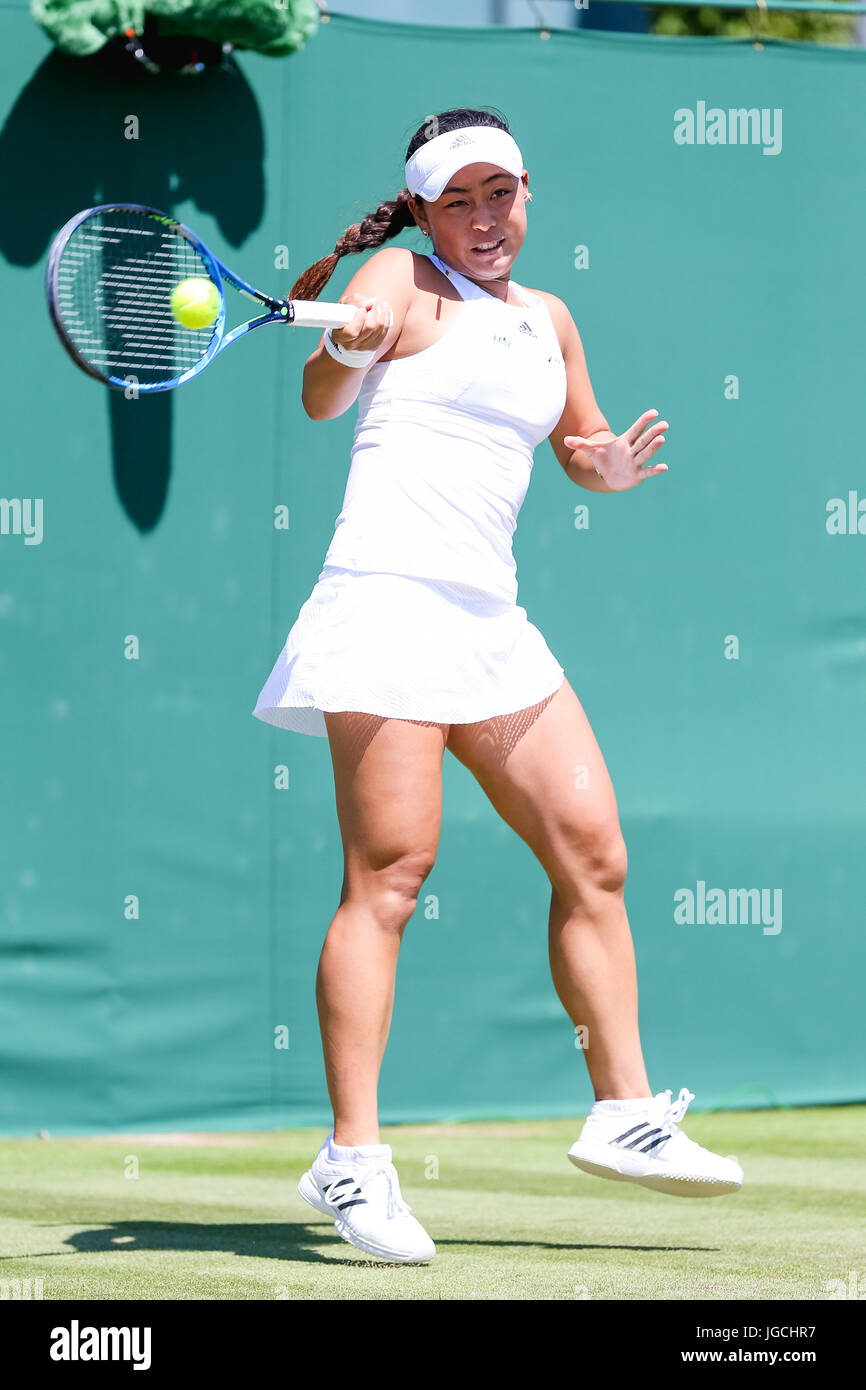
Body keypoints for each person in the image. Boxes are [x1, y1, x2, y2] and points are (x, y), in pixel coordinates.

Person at [252, 108, 743, 1266]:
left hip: (487, 622)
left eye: (503, 194)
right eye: (461, 199)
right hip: (382, 602)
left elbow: (577, 445)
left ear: (527, 196)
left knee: (593, 849)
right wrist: (347, 345)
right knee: (390, 873)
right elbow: (322, 401)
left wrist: (604, 466)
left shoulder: (546, 319)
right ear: (423, 208)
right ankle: (353, 1161)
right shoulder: (396, 277)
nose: (486, 219)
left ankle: (623, 1111)